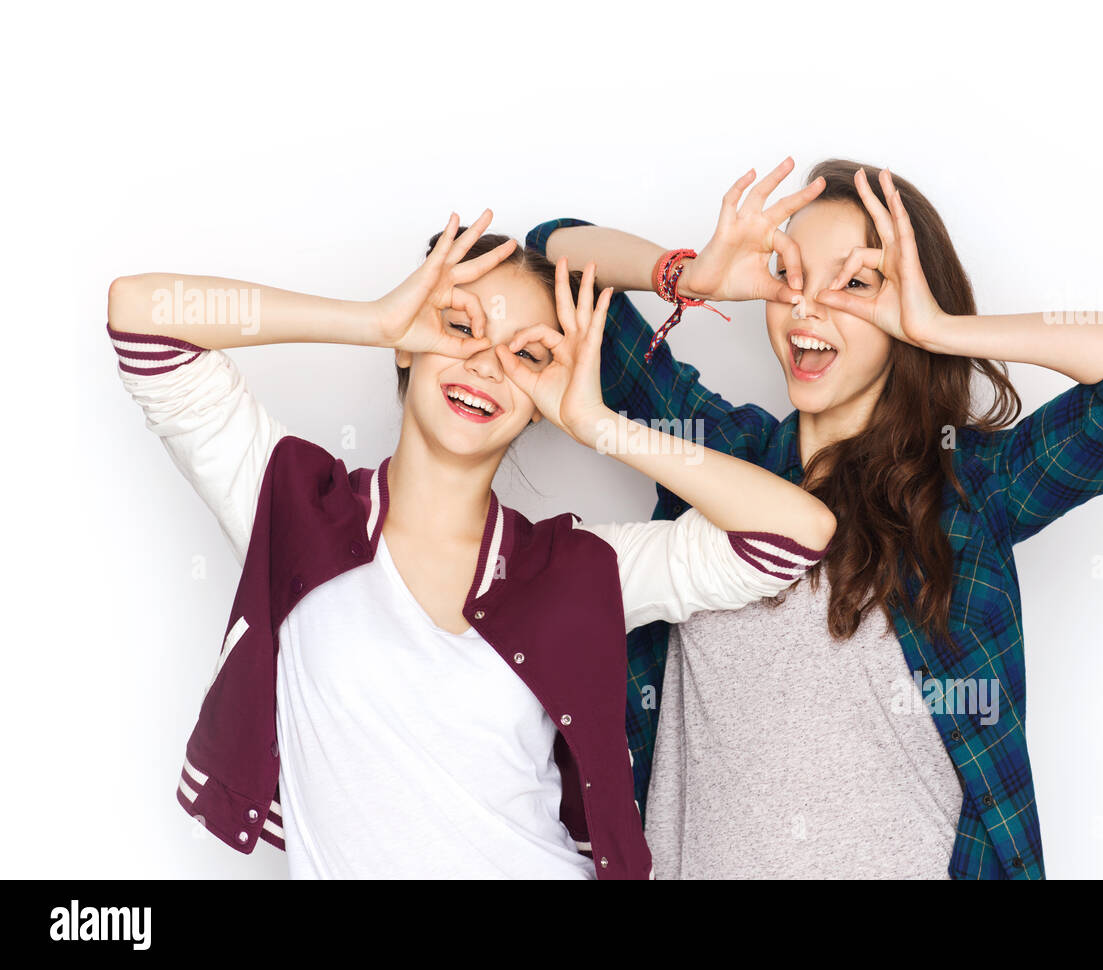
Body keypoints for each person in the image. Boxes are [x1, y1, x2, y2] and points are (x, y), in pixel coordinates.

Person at [105, 209, 835, 879]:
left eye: (526, 354)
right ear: (408, 347)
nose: (487, 363)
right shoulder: (298, 509)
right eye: (459, 328)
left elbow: (796, 534)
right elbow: (142, 317)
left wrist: (596, 424)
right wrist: (373, 320)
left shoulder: (577, 571)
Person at [529, 157, 1103, 878]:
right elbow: (550, 254)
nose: (809, 307)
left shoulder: (970, 486)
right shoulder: (717, 454)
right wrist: (690, 278)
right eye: (792, 275)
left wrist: (942, 329)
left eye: (856, 283)